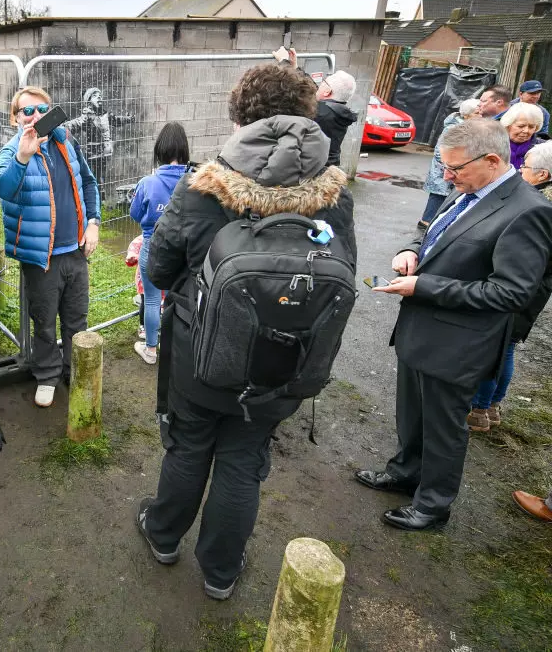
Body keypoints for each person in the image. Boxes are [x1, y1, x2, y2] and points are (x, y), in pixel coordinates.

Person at [136, 63, 356, 600]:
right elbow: (344, 269)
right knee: (244, 459)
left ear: (240, 114)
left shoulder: (203, 186)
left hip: (201, 355)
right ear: (309, 112)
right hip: (284, 359)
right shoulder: (332, 193)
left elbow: (159, 271)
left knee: (189, 447)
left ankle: (164, 537)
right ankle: (220, 572)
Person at [357, 119, 552, 531]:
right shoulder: (467, 188)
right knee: (411, 413)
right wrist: (410, 251)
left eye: (455, 169)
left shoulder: (529, 211)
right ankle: (405, 472)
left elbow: (511, 293)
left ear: (493, 161)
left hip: (460, 343)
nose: (446, 176)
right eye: (444, 167)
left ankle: (432, 505)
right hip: (421, 329)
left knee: (444, 427)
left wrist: (424, 286)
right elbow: (431, 232)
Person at [0, 86, 101, 408]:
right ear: (16, 118)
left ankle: (72, 371)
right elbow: (4, 189)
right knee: (43, 322)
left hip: (75, 251)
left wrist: (93, 222)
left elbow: (88, 182)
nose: (36, 116)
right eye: (28, 111)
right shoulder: (11, 151)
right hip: (41, 258)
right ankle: (47, 375)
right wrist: (23, 157)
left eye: (42, 110)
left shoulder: (66, 142)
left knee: (76, 318)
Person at [466, 140, 552, 433]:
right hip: (536, 288)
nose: (519, 170)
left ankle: (479, 408)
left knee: (497, 347)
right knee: (507, 346)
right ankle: (492, 405)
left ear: (542, 175)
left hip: (525, 286)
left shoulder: (539, 205)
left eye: (525, 167)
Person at [129, 121, 189, 365]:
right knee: (183, 296)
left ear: (159, 151)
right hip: (185, 249)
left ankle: (151, 350)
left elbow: (135, 213)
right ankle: (179, 348)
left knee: (152, 299)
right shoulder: (195, 181)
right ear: (184, 151)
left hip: (153, 246)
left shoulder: (147, 183)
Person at [418, 99, 482, 228]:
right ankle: (425, 223)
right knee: (438, 196)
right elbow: (440, 151)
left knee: (445, 196)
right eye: (477, 113)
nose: (480, 116)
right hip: (444, 169)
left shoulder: (467, 127)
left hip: (453, 168)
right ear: (466, 115)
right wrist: (451, 166)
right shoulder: (453, 128)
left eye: (480, 112)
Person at [64, 87, 134, 188]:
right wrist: (65, 126)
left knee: (101, 179)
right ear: (88, 101)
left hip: (104, 152)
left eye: (100, 96)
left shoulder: (105, 115)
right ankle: (96, 199)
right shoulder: (87, 116)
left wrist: (128, 119)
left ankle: (102, 199)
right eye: (95, 96)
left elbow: (116, 120)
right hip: (91, 153)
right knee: (92, 179)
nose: (99, 98)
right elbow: (77, 123)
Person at [313, 70, 358, 168]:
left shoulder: (320, 112)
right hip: (331, 168)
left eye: (323, 82)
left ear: (327, 91)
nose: (319, 85)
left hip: (313, 170)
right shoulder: (339, 111)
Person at [500, 102, 545, 170]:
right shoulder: (493, 144)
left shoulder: (543, 148)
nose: (526, 130)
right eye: (521, 126)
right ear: (508, 125)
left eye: (531, 127)